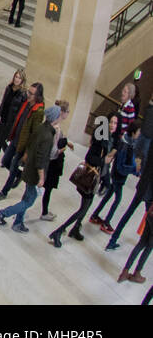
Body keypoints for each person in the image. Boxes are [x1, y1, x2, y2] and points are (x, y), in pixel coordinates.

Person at [48, 114, 114, 248]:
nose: (113, 125)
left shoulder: (107, 139)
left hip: (93, 180)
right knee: (83, 209)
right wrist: (104, 160)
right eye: (111, 122)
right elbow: (90, 157)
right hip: (89, 179)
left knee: (86, 207)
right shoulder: (101, 140)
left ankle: (75, 228)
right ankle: (59, 231)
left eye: (116, 123)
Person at [0, 104, 61, 232]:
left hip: (29, 167)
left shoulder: (41, 128)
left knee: (26, 197)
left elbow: (30, 145)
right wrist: (42, 177)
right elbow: (41, 158)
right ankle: (3, 213)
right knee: (29, 201)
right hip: (34, 173)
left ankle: (18, 222)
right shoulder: (48, 136)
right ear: (56, 118)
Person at [0, 81, 45, 198]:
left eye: (31, 94)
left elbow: (34, 134)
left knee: (13, 168)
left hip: (23, 144)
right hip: (15, 138)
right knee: (5, 161)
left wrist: (27, 152)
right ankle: (19, 175)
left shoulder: (38, 112)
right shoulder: (26, 103)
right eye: (28, 92)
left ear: (37, 96)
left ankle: (4, 192)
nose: (28, 95)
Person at [92, 129, 139, 233]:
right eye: (138, 131)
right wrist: (135, 171)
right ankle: (106, 223)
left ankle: (95, 215)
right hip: (118, 177)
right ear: (133, 132)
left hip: (117, 176)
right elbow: (122, 166)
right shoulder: (126, 145)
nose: (139, 134)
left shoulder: (129, 143)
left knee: (108, 195)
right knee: (117, 199)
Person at [0, 69, 27, 173]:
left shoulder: (23, 94)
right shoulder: (9, 88)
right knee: (1, 142)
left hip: (11, 124)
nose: (17, 79)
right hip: (4, 119)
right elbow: (3, 103)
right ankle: (7, 160)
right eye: (16, 76)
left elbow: (21, 113)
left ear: (22, 80)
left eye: (19, 78)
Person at [39, 100, 71, 222]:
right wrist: (61, 150)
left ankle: (45, 211)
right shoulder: (56, 129)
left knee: (46, 189)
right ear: (62, 112)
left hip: (49, 162)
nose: (68, 114)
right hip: (51, 163)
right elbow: (53, 150)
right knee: (47, 189)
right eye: (67, 111)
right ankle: (44, 212)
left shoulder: (53, 127)